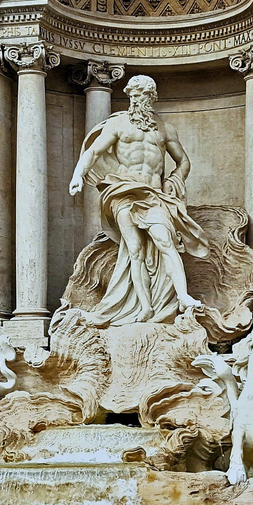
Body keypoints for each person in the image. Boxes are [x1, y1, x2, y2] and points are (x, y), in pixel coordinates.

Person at [67, 75, 212, 325]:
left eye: (141, 94)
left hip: (154, 195)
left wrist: (175, 179)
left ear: (151, 97)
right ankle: (144, 307)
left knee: (165, 240)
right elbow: (93, 151)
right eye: (132, 94)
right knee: (134, 250)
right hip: (123, 191)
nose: (135, 99)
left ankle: (184, 297)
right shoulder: (119, 124)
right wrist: (77, 175)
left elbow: (184, 160)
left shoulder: (165, 129)